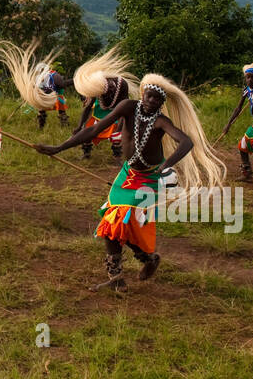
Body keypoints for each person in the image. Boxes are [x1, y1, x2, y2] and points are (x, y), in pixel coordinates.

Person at [36, 74, 225, 293]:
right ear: (142, 93)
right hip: (127, 174)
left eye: (156, 99)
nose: (151, 101)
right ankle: (119, 276)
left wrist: (168, 165)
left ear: (161, 103)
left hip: (149, 178)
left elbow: (186, 141)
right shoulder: (127, 107)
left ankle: (147, 259)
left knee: (120, 221)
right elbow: (94, 130)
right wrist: (58, 147)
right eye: (149, 96)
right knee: (112, 226)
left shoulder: (161, 121)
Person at [71, 45, 137, 160]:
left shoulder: (122, 85)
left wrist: (119, 130)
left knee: (117, 134)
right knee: (87, 130)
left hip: (116, 113)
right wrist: (80, 126)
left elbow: (124, 110)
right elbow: (87, 108)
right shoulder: (95, 85)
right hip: (99, 111)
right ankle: (86, 153)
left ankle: (117, 155)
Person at [0, 39, 70, 130]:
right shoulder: (36, 79)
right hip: (42, 98)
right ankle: (41, 126)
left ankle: (64, 124)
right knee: (41, 109)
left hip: (55, 96)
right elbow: (32, 89)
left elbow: (62, 85)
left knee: (60, 104)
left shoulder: (55, 76)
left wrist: (55, 92)